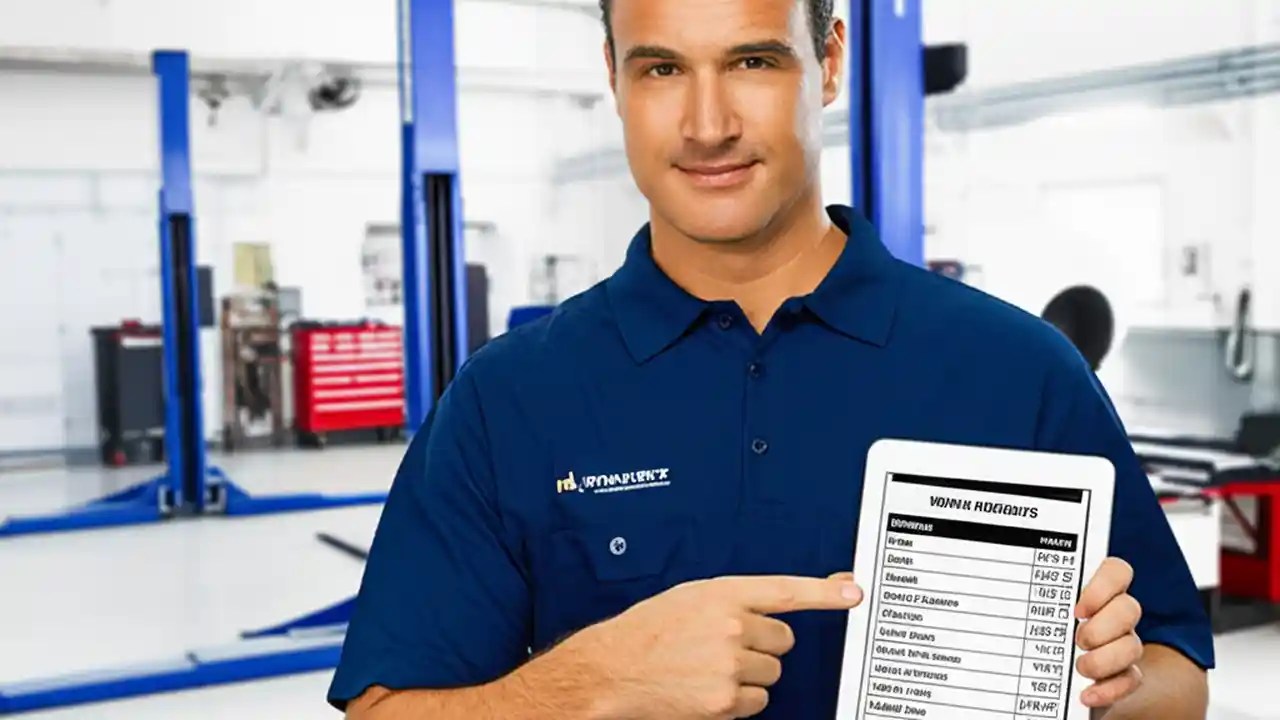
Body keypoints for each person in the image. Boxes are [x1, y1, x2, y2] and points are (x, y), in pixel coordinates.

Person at [330, 0, 1214, 717]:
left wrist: (1102, 693)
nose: (707, 125)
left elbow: (1179, 675)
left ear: (828, 62)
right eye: (662, 69)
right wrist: (594, 686)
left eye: (752, 61)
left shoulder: (1021, 371)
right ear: (614, 77)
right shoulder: (508, 398)